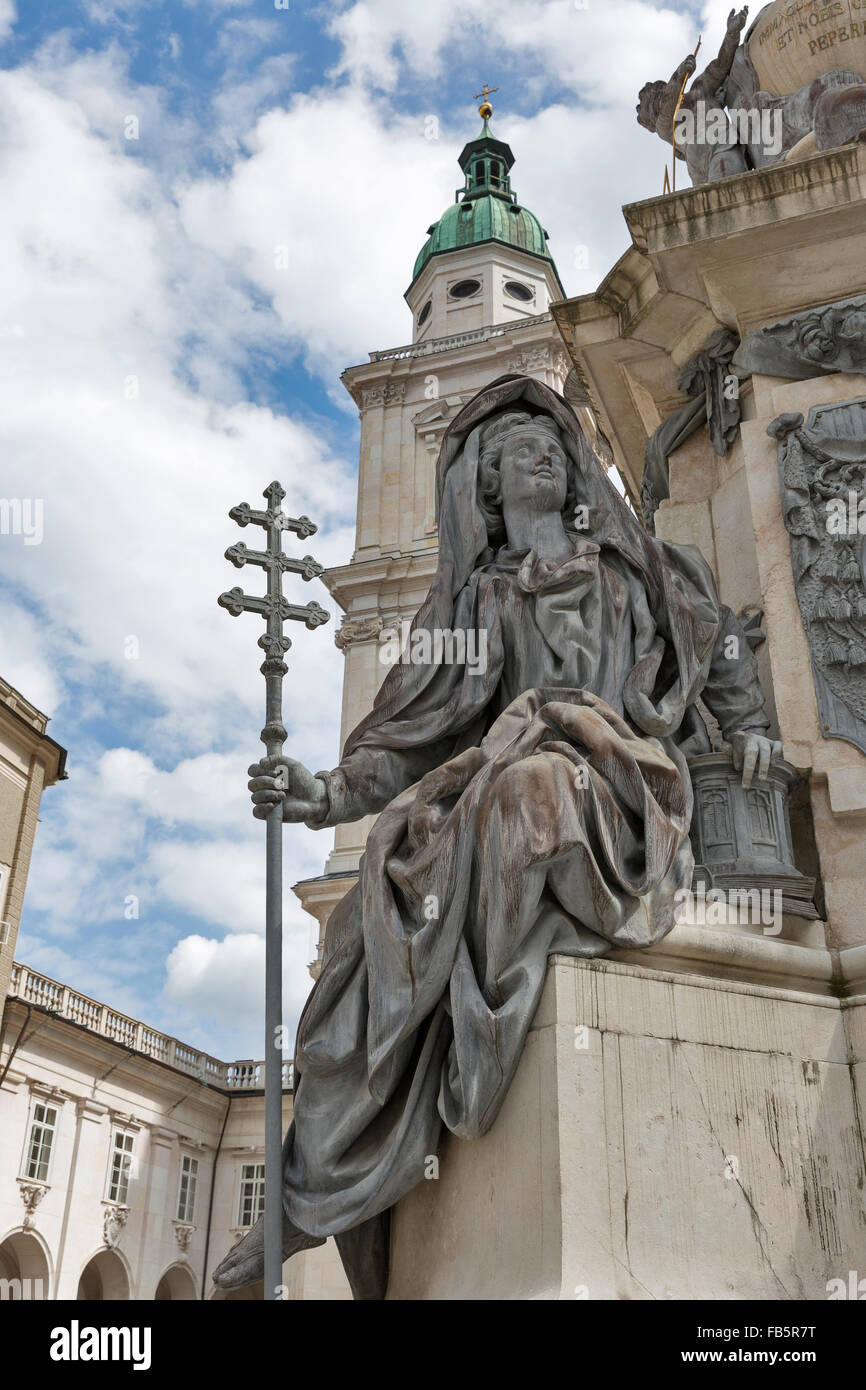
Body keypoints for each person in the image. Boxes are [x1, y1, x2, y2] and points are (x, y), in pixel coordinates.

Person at [213, 374, 779, 1299]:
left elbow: (711, 642)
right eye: (523, 451)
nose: (547, 456)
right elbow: (413, 733)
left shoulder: (632, 570)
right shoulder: (475, 606)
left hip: (622, 777)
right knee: (375, 902)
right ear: (488, 484)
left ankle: (479, 1022)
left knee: (527, 794)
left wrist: (749, 720)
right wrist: (327, 795)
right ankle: (310, 1189)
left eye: (554, 446)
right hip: (502, 782)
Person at [637, 7, 750, 184]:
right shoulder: (665, 126)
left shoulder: (699, 89)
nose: (659, 103)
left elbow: (720, 66)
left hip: (722, 149)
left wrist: (731, 34)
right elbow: (668, 107)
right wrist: (679, 75)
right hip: (699, 172)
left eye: (659, 94)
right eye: (653, 107)